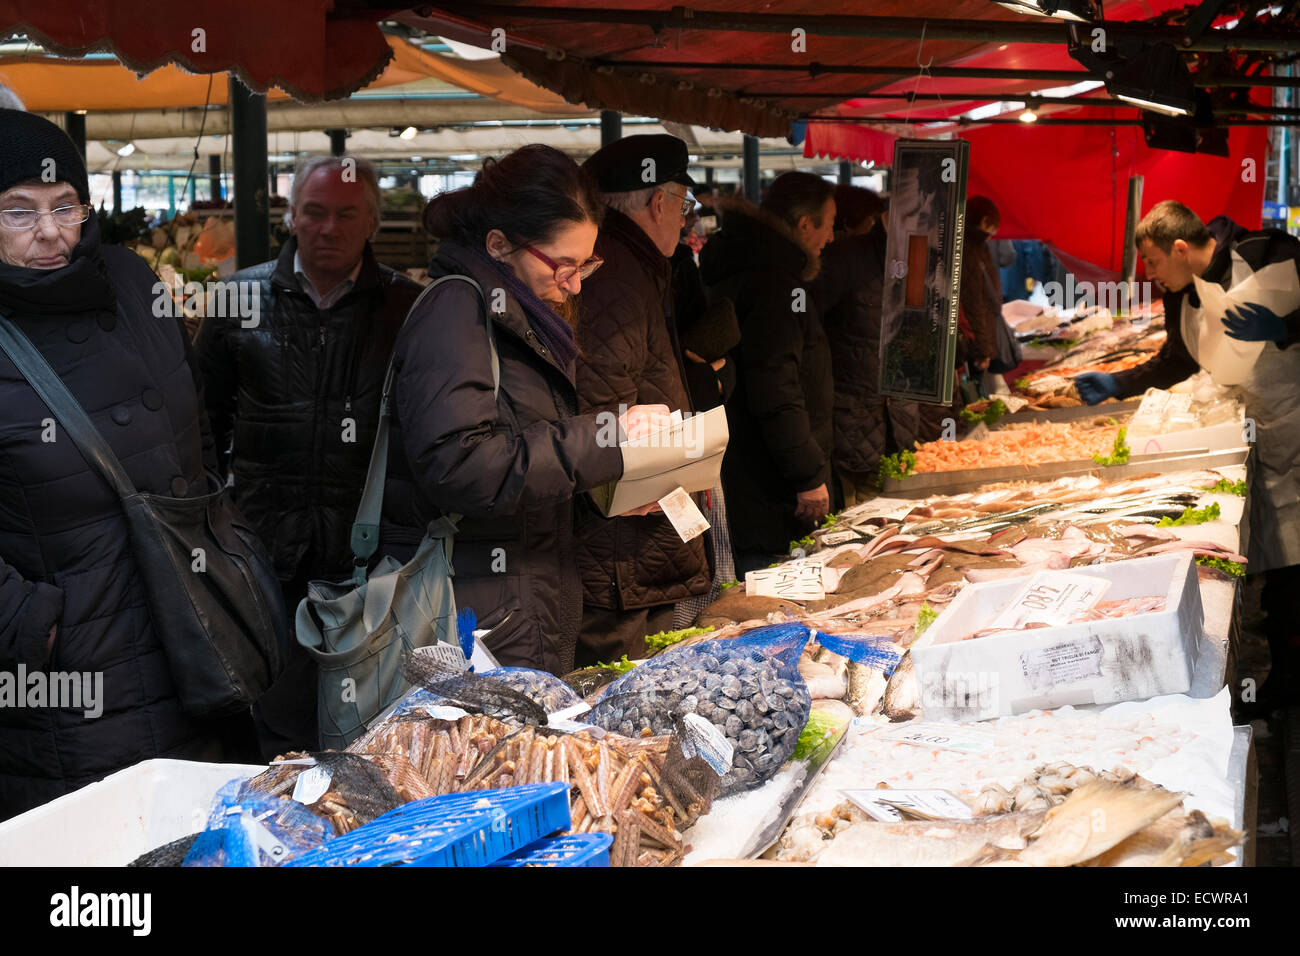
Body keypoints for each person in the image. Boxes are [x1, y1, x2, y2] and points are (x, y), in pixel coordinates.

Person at [0, 110, 254, 819]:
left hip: (192, 635)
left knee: (201, 835)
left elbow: (194, 429)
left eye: (65, 206)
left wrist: (222, 539)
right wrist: (26, 624)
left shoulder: (130, 282)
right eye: (18, 211)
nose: (50, 232)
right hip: (71, 679)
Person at [378, 145, 664, 675]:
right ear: (498, 244)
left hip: (518, 597)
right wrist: (607, 438)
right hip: (471, 613)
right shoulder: (456, 312)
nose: (576, 284)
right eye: (564, 265)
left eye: (587, 264)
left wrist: (608, 495)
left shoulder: (522, 316)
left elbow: (525, 458)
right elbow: (461, 467)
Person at [194, 155, 422, 758]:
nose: (328, 228)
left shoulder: (406, 309)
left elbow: (422, 435)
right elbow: (200, 426)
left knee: (370, 717)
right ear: (291, 216)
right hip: (265, 549)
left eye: (347, 214)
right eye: (315, 212)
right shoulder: (237, 299)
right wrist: (221, 526)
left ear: (372, 222)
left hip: (369, 558)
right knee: (278, 715)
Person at [1074, 199, 1300, 702]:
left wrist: (1286, 329)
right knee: (1271, 556)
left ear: (1180, 247)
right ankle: (1279, 658)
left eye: (1153, 262)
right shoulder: (1182, 294)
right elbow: (1175, 361)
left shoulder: (1266, 252)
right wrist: (1118, 382)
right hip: (1245, 430)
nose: (1151, 275)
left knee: (1293, 561)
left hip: (1295, 423)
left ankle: (1287, 685)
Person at [570, 134, 712, 666]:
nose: (686, 220)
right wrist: (636, 484)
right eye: (685, 206)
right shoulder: (617, 276)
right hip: (622, 548)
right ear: (659, 202)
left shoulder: (631, 267)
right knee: (623, 697)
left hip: (638, 539)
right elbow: (603, 405)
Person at [700, 172, 836, 575]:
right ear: (805, 224)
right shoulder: (774, 283)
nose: (831, 238)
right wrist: (808, 475)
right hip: (769, 489)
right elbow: (775, 388)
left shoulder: (753, 267)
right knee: (775, 607)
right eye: (829, 225)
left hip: (750, 475)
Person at [818, 185, 920, 507]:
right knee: (863, 527)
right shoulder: (845, 258)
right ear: (886, 217)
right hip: (852, 423)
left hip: (902, 425)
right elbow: (807, 332)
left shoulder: (923, 260)